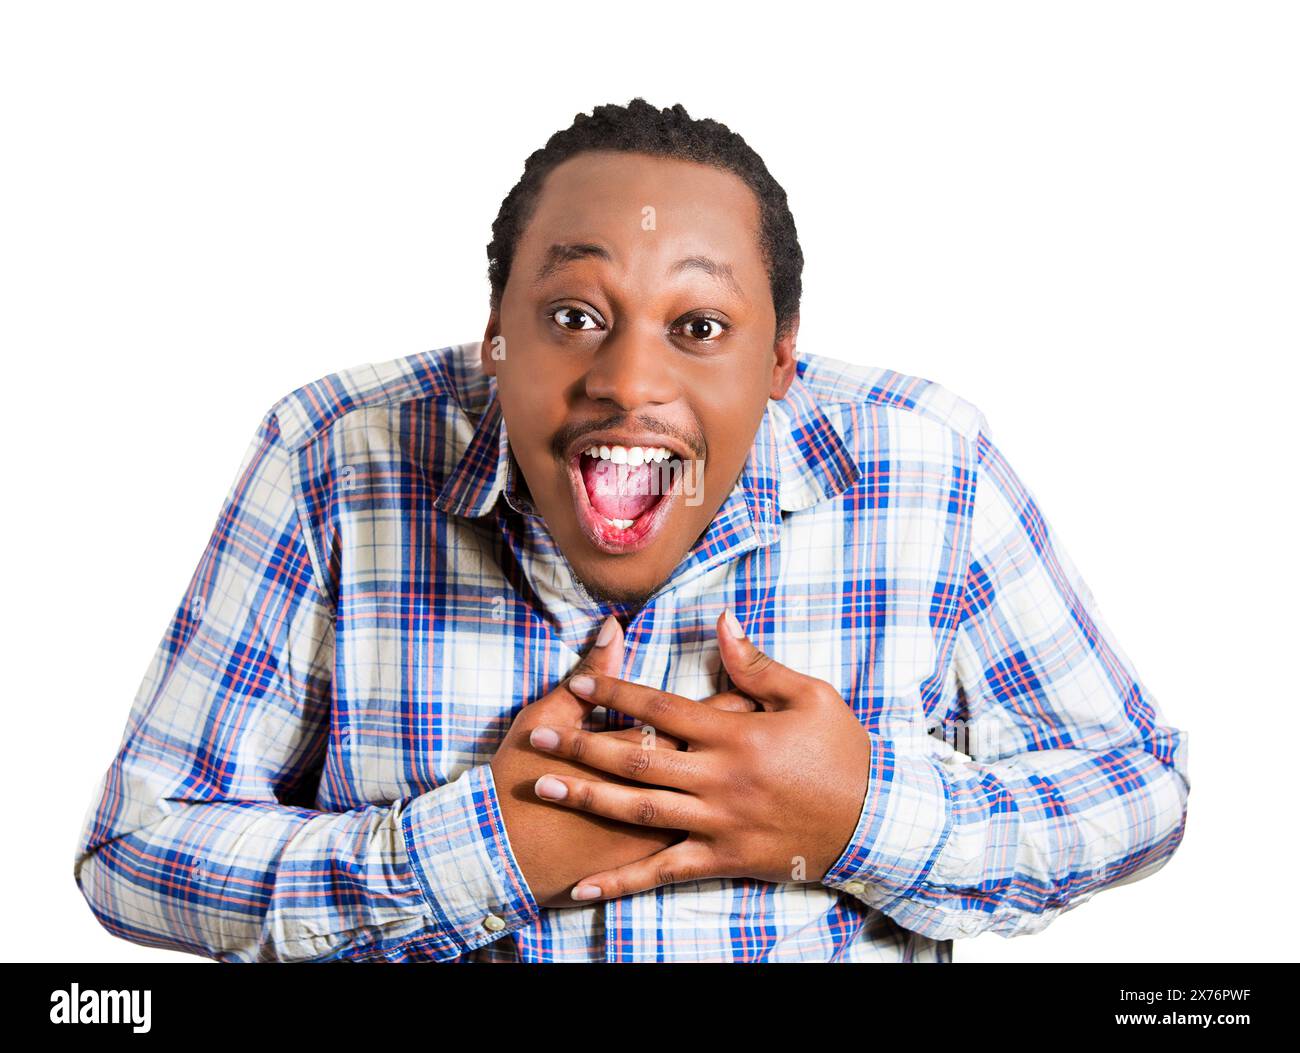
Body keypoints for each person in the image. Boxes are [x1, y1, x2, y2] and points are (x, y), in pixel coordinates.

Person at [73, 98, 1190, 963]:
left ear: (779, 360)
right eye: (572, 317)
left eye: (698, 326)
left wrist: (857, 816)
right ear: (494, 337)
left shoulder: (926, 467)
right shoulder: (335, 453)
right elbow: (137, 852)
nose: (628, 380)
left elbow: (1134, 790)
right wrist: (478, 858)